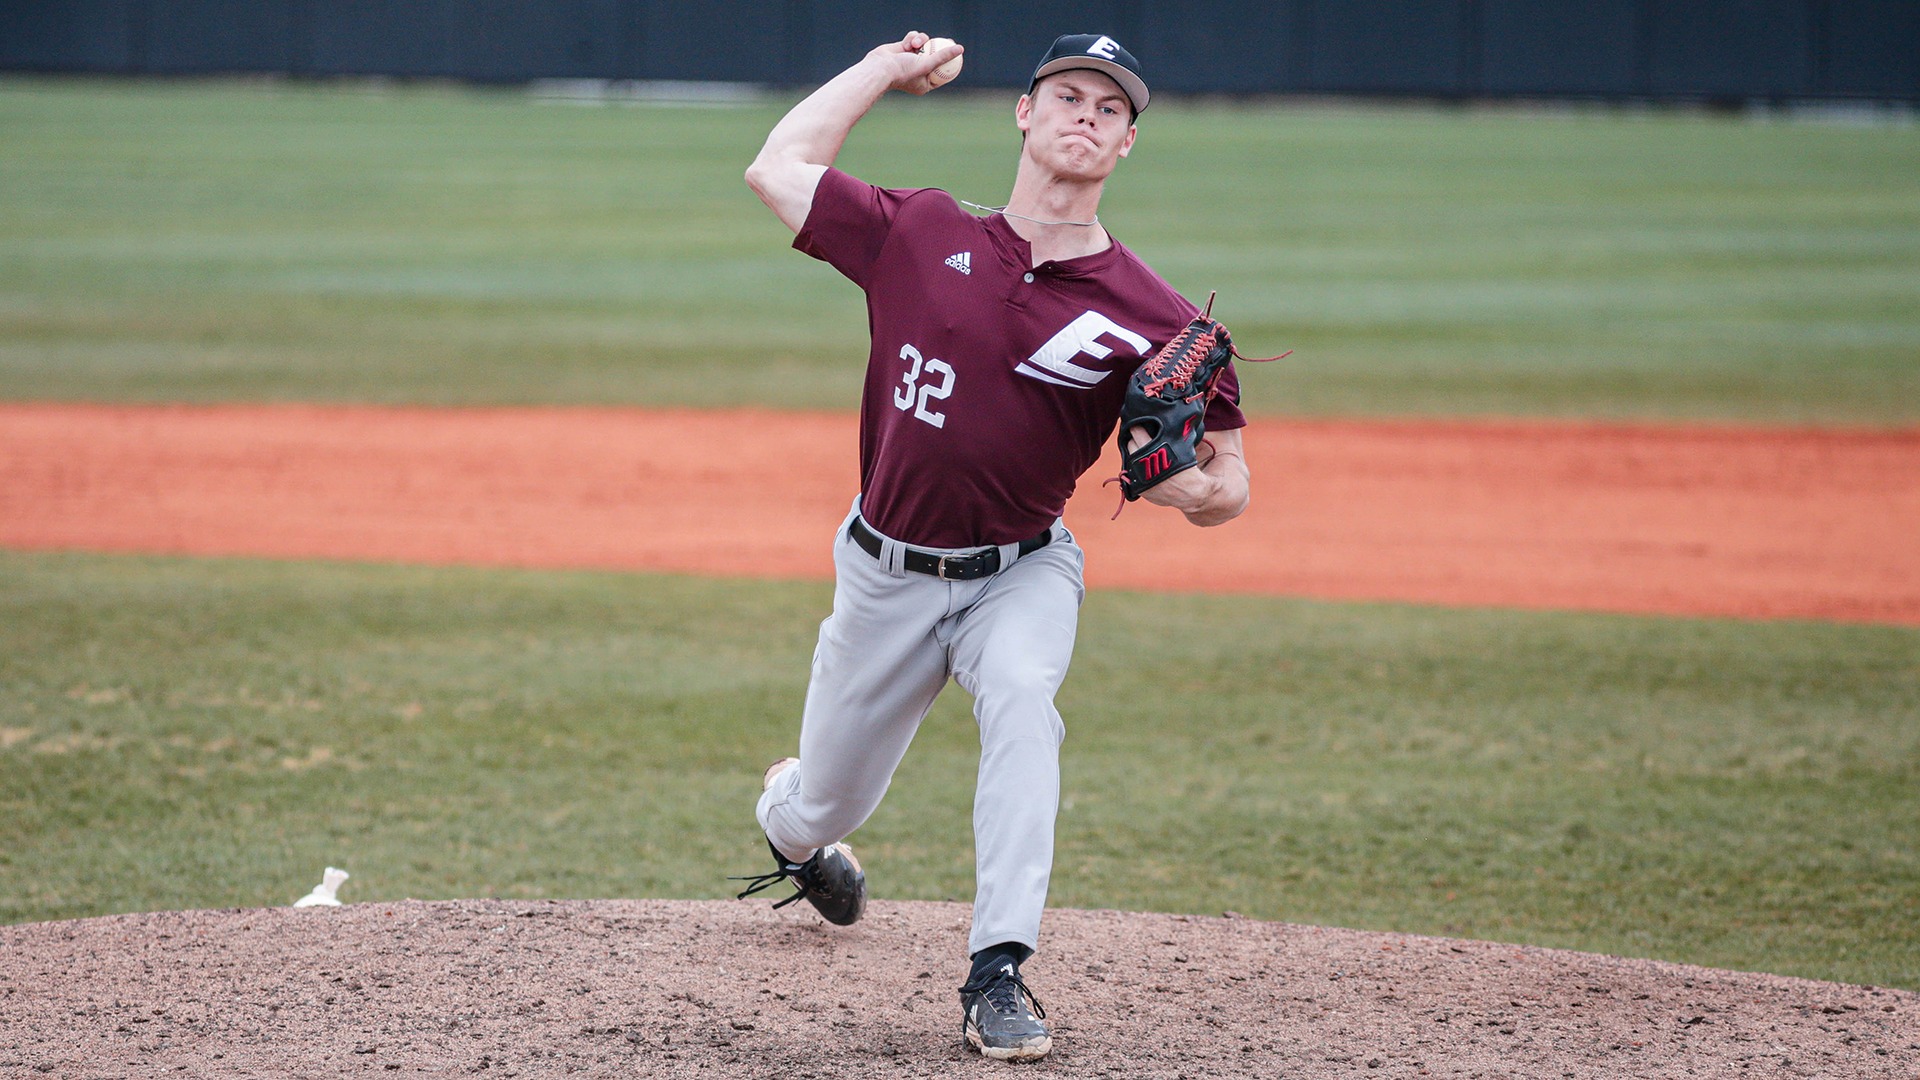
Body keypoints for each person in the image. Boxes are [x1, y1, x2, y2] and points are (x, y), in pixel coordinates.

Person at [732, 30, 1253, 1062]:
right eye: (1068, 96)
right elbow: (778, 167)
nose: (1086, 117)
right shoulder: (921, 232)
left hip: (1023, 570)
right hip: (883, 570)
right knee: (822, 804)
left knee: (1023, 698)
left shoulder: (1156, 316)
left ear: (1128, 145)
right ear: (1024, 113)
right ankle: (792, 823)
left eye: (1111, 111)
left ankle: (998, 971)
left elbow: (1230, 480)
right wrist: (886, 67)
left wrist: (1194, 491)